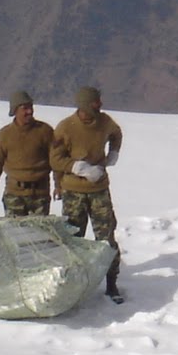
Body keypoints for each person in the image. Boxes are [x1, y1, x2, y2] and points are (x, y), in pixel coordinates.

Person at [50, 85, 124, 302]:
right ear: (85, 105)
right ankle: (74, 284)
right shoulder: (66, 128)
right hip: (74, 192)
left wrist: (114, 152)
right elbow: (55, 158)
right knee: (73, 239)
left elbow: (116, 133)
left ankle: (112, 284)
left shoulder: (105, 122)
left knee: (106, 237)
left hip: (100, 189)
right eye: (95, 102)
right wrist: (78, 167)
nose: (99, 105)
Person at [0, 91, 55, 216]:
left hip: (40, 195)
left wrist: (59, 185)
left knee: (40, 234)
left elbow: (56, 160)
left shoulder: (45, 131)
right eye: (25, 108)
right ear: (15, 111)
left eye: (31, 107)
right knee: (14, 233)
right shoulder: (5, 135)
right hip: (14, 195)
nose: (29, 112)